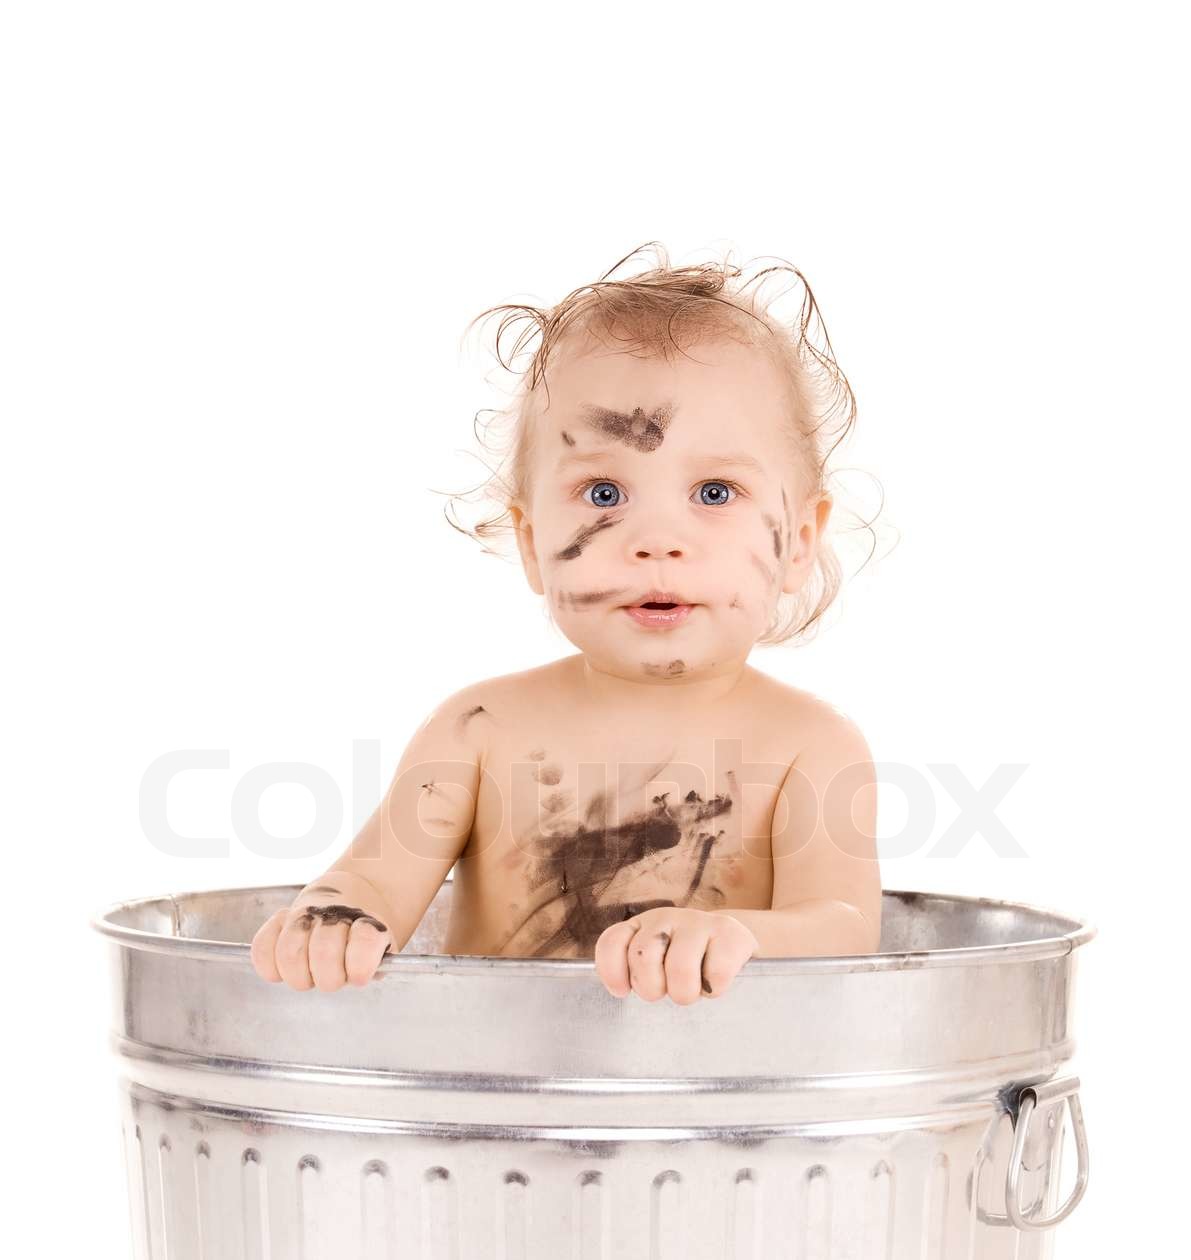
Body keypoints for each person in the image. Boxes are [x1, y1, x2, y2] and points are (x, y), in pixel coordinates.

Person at [250, 243, 881, 1004]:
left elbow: (842, 926)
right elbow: (376, 877)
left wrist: (744, 935)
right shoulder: (478, 730)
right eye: (604, 493)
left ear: (801, 544)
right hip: (487, 1104)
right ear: (529, 543)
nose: (655, 539)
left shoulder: (808, 745)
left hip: (719, 1111)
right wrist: (333, 918)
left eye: (714, 492)